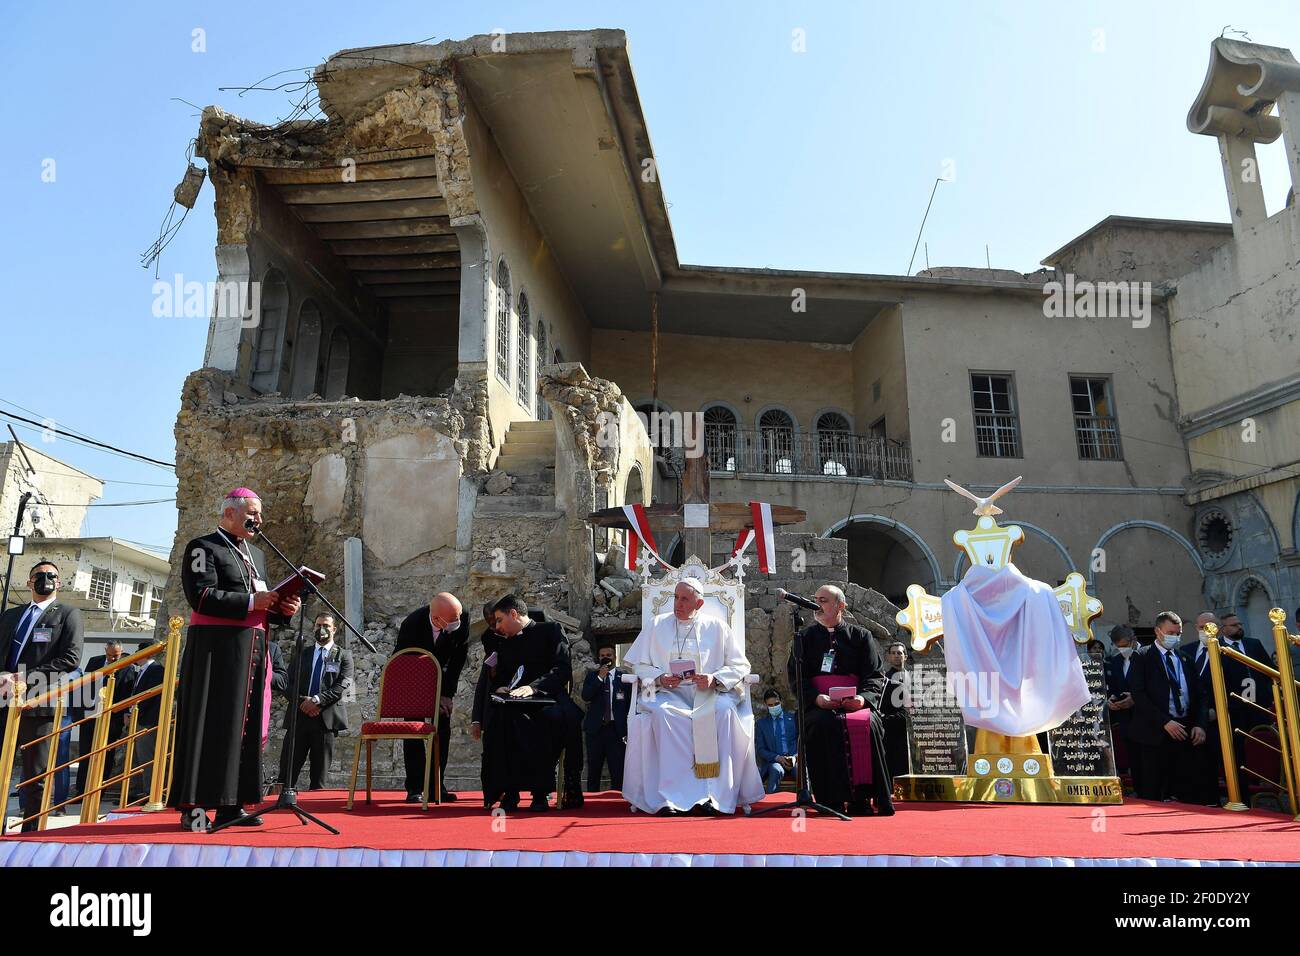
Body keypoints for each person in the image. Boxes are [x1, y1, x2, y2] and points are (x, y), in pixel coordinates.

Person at [169, 489, 301, 832]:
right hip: (215, 652)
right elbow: (201, 596)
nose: (259, 520)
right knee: (210, 725)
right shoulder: (202, 547)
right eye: (252, 513)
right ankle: (195, 809)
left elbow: (261, 603)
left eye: (259, 514)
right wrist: (254, 602)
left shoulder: (255, 554)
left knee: (243, 728)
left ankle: (232, 806)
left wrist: (283, 609)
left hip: (252, 650)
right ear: (230, 512)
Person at [622, 578, 765, 815]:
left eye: (684, 599)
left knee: (723, 712)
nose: (677, 604)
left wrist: (714, 679)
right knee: (664, 714)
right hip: (669, 693)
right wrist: (660, 678)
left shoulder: (717, 627)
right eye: (676, 597)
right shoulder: (656, 625)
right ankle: (670, 797)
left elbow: (740, 665)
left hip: (709, 693)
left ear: (698, 604)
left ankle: (715, 797)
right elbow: (639, 665)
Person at [790, 585, 894, 816]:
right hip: (819, 705)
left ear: (840, 606)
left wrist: (862, 699)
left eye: (824, 600)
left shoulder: (861, 636)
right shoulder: (804, 638)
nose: (817, 605)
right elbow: (797, 678)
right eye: (816, 599)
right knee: (822, 724)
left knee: (869, 725)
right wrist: (817, 698)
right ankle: (831, 800)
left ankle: (862, 799)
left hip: (855, 703)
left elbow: (874, 675)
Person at [0, 560, 82, 831]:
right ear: (29, 581)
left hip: (38, 703)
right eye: (39, 574)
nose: (45, 578)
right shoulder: (11, 615)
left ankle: (30, 832)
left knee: (35, 774)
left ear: (59, 583)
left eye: (52, 575)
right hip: (3, 700)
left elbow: (70, 658)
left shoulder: (67, 614)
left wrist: (23, 677)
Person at [480, 594, 571, 812]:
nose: (497, 627)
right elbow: (503, 674)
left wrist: (534, 688)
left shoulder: (551, 631)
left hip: (545, 699)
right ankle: (509, 792)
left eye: (500, 620)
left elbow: (562, 669)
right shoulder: (505, 641)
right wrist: (500, 687)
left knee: (539, 723)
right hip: (514, 702)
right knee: (499, 723)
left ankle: (539, 793)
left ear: (513, 614)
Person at [394, 591, 468, 803]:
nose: (457, 622)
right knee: (414, 732)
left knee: (442, 731)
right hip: (413, 683)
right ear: (436, 618)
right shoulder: (412, 624)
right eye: (452, 619)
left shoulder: (461, 619)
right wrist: (422, 694)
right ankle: (415, 787)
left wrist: (446, 694)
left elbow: (457, 661)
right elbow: (403, 662)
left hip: (442, 680)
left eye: (458, 617)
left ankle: (436, 785)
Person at [1128, 611, 1207, 803]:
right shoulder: (1142, 656)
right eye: (1171, 633)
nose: (1175, 637)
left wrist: (1200, 724)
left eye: (1178, 633)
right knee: (1153, 789)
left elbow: (1199, 695)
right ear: (1158, 631)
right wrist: (1164, 721)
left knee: (1187, 788)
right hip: (1155, 732)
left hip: (1184, 730)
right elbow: (1139, 695)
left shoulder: (1185, 658)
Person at [284, 613, 352, 791]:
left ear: (334, 629)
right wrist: (303, 702)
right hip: (298, 718)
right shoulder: (302, 653)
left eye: (326, 626)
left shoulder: (343, 655)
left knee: (319, 779)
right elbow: (287, 683)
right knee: (286, 774)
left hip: (325, 721)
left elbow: (342, 686)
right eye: (318, 625)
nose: (322, 629)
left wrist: (316, 701)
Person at [74, 639, 133, 798]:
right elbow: (84, 686)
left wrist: (124, 713)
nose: (113, 658)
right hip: (90, 715)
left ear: (121, 652)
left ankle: (99, 791)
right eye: (110, 655)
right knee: (85, 753)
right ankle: (81, 790)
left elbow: (126, 693)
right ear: (105, 650)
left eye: (116, 655)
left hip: (111, 717)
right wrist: (79, 713)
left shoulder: (127, 666)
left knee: (106, 754)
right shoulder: (94, 661)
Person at [581, 638, 628, 792]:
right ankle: (591, 799)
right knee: (594, 769)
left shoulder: (623, 677)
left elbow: (629, 703)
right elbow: (586, 696)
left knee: (618, 769)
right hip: (596, 730)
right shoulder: (592, 676)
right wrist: (600, 678)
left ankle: (617, 799)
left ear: (615, 657)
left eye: (609, 655)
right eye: (602, 656)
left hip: (616, 731)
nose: (606, 658)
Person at [127, 639, 164, 803]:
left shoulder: (156, 670)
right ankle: (134, 791)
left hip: (146, 721)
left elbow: (150, 697)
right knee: (134, 758)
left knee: (146, 758)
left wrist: (136, 714)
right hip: (136, 719)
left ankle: (149, 792)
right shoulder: (141, 671)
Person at [1103, 625, 1139, 787]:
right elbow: (1113, 686)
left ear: (1133, 640)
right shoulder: (1115, 661)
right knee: (1130, 753)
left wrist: (1135, 698)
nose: (1122, 649)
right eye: (1119, 646)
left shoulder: (1146, 656)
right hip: (1124, 717)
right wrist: (1111, 699)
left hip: (1144, 716)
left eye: (1125, 645)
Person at [878, 641, 911, 780]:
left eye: (899, 653)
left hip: (911, 731)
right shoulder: (884, 681)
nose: (896, 655)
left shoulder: (914, 678)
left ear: (905, 656)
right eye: (893, 653)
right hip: (891, 732)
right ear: (888, 657)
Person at [754, 687, 797, 794]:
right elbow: (761, 749)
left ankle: (806, 798)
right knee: (775, 770)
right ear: (766, 705)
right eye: (770, 705)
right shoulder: (761, 724)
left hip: (794, 760)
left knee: (801, 771)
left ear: (781, 702)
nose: (774, 707)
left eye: (776, 704)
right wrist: (777, 758)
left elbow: (801, 742)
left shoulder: (794, 719)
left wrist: (795, 757)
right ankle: (770, 799)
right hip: (775, 761)